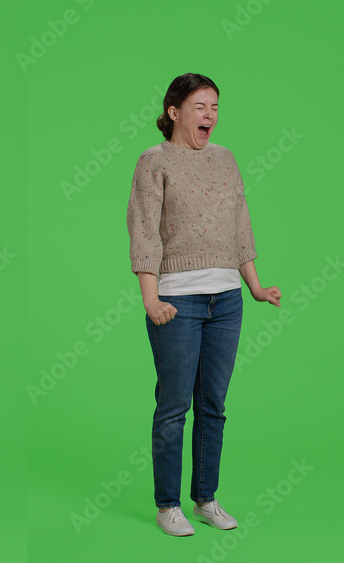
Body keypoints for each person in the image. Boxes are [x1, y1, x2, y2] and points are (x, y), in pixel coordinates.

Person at [127, 73, 280, 537]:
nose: (209, 115)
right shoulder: (154, 161)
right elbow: (143, 231)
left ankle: (205, 498)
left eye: (214, 107)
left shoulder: (226, 159)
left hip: (227, 298)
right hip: (176, 300)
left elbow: (241, 225)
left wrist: (254, 286)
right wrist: (150, 298)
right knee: (174, 405)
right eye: (200, 106)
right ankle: (167, 505)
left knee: (213, 404)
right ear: (175, 112)